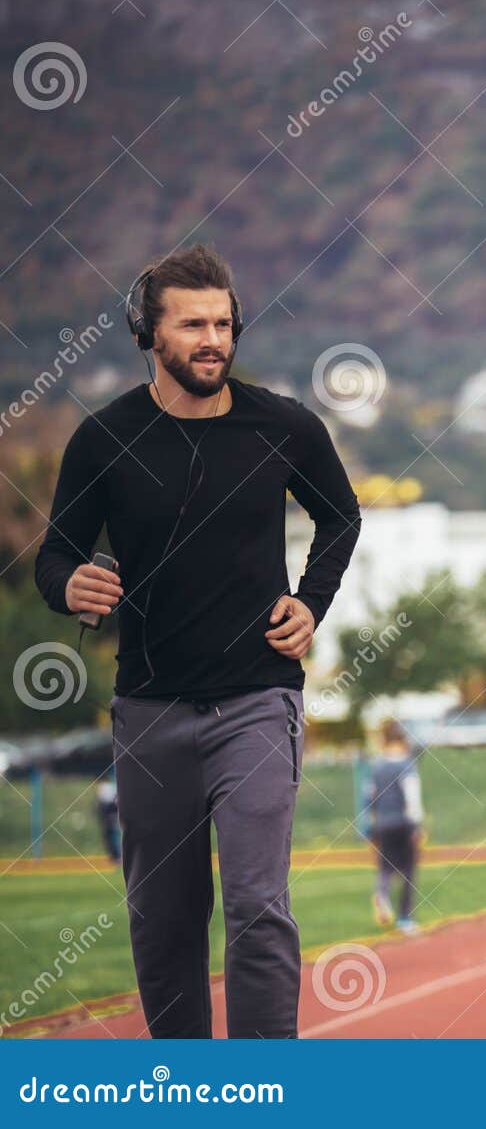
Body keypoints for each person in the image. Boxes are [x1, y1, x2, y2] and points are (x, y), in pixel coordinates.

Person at [34, 244, 362, 1038]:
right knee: (165, 920)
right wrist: (69, 584)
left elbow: (342, 515)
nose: (212, 338)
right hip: (149, 709)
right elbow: (54, 554)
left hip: (258, 696)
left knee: (257, 907)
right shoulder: (103, 439)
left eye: (223, 323)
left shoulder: (281, 424)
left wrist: (310, 602)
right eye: (192, 325)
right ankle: (187, 1088)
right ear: (149, 334)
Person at [365, 720, 424, 934]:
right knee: (409, 870)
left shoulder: (377, 765)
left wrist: (371, 826)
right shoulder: (406, 764)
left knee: (386, 867)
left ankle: (382, 893)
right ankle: (405, 918)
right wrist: (417, 825)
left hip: (382, 822)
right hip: (403, 822)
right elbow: (412, 796)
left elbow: (369, 796)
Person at [95, 777, 121, 863]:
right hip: (108, 814)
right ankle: (116, 857)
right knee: (110, 836)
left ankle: (117, 856)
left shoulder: (106, 787)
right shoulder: (108, 787)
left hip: (109, 814)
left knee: (112, 835)